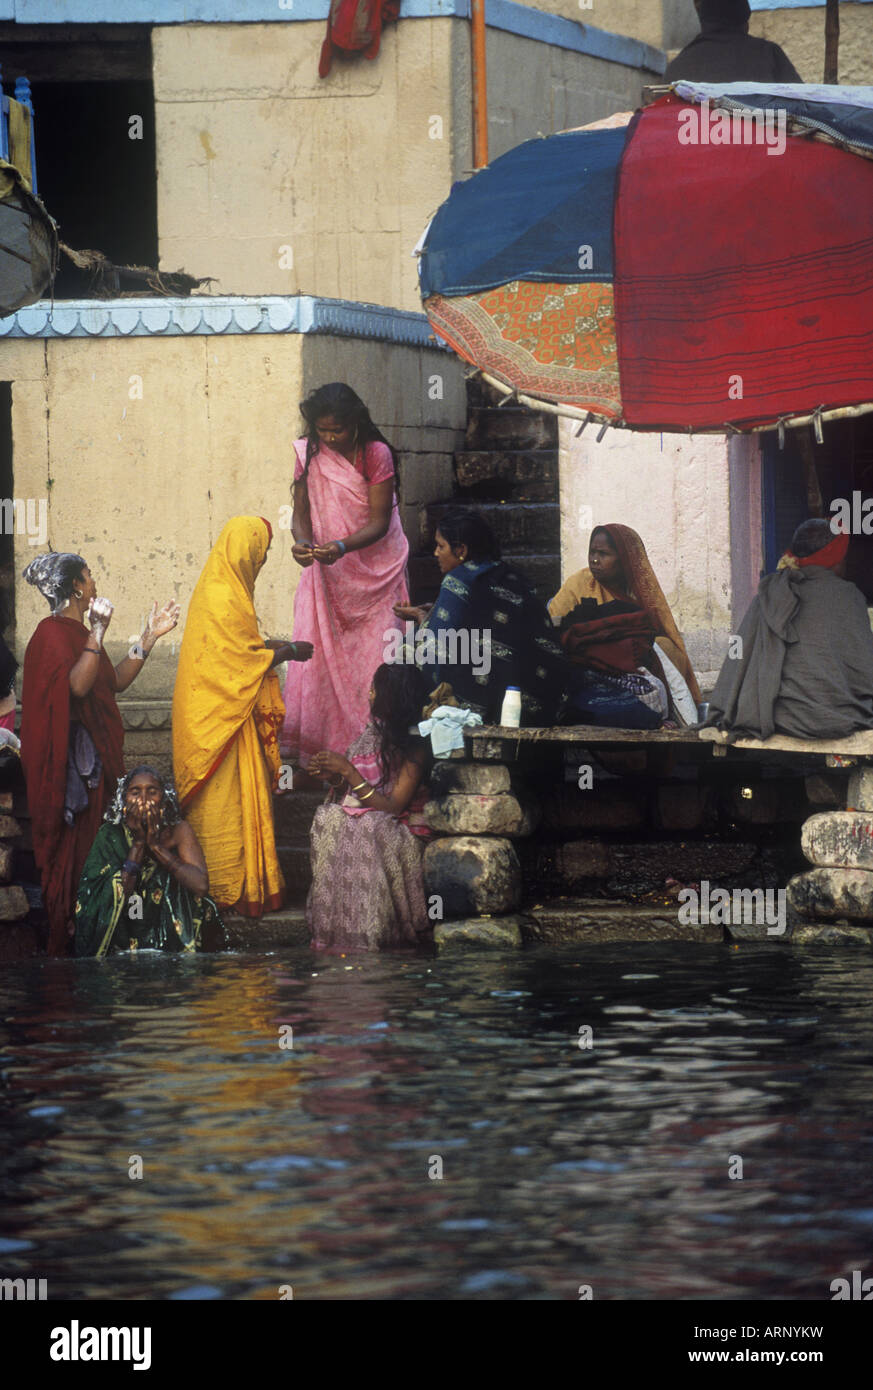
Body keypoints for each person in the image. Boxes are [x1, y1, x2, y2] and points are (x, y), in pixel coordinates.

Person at [20, 552, 180, 956]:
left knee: (106, 848)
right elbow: (76, 687)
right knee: (81, 850)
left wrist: (149, 636)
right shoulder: (51, 634)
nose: (95, 583)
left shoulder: (80, 634)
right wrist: (98, 630)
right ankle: (76, 933)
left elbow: (114, 681)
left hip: (99, 769)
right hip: (73, 774)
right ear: (76, 586)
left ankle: (104, 931)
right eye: (89, 576)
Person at [172, 516, 312, 918]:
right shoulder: (223, 595)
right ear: (244, 551)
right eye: (261, 553)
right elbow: (237, 661)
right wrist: (286, 653)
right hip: (216, 723)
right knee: (222, 804)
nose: (263, 561)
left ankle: (232, 887)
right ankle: (221, 888)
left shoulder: (224, 587)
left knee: (230, 805)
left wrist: (274, 645)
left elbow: (239, 649)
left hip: (222, 716)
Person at [282, 383, 409, 769]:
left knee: (376, 663)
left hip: (376, 574)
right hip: (327, 578)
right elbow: (301, 512)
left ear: (354, 424)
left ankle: (376, 757)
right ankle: (327, 760)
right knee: (321, 664)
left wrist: (340, 547)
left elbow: (379, 522)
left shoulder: (376, 454)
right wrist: (304, 544)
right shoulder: (309, 452)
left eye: (337, 430)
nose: (330, 438)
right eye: (323, 430)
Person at [394, 507, 566, 724]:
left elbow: (438, 648)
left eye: (441, 546)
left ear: (461, 550)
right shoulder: (510, 575)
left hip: (484, 702)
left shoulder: (459, 580)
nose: (436, 553)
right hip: (537, 699)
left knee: (404, 656)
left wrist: (421, 618)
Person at [705, 519, 873, 741]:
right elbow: (864, 673)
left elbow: (736, 656)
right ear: (835, 560)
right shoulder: (848, 596)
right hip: (834, 719)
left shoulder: (766, 595)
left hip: (774, 717)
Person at [306, 663, 432, 952]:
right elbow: (349, 796)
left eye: (376, 689)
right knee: (328, 817)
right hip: (371, 818)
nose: (370, 694)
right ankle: (333, 932)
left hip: (405, 825)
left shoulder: (417, 746)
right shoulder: (371, 735)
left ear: (393, 697)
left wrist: (349, 772)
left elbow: (393, 806)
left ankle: (374, 932)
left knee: (373, 826)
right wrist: (337, 779)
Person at [549, 524, 701, 725]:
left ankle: (669, 718)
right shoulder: (579, 583)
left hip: (637, 670)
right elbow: (553, 625)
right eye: (592, 552)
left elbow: (652, 633)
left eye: (603, 554)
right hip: (592, 668)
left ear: (624, 560)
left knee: (666, 648)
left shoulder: (640, 590)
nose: (594, 560)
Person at [74, 766, 225, 957]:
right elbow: (114, 894)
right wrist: (138, 844)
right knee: (111, 887)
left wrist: (155, 847)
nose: (143, 800)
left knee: (183, 884)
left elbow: (201, 886)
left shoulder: (178, 830)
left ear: (163, 801)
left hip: (165, 921)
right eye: (135, 792)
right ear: (124, 802)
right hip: (128, 917)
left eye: (152, 792)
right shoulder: (110, 834)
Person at [665, 0, 801, 84]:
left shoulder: (678, 67)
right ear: (744, 21)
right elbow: (804, 110)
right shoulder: (769, 54)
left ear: (703, 20)